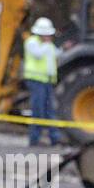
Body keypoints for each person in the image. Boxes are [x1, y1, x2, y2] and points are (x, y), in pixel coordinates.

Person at [23, 17, 60, 146]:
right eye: (47, 34)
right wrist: (47, 44)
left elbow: (56, 54)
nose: (49, 37)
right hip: (36, 81)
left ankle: (55, 139)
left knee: (50, 111)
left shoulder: (48, 45)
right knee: (37, 110)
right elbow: (38, 54)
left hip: (47, 81)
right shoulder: (32, 42)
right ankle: (34, 140)